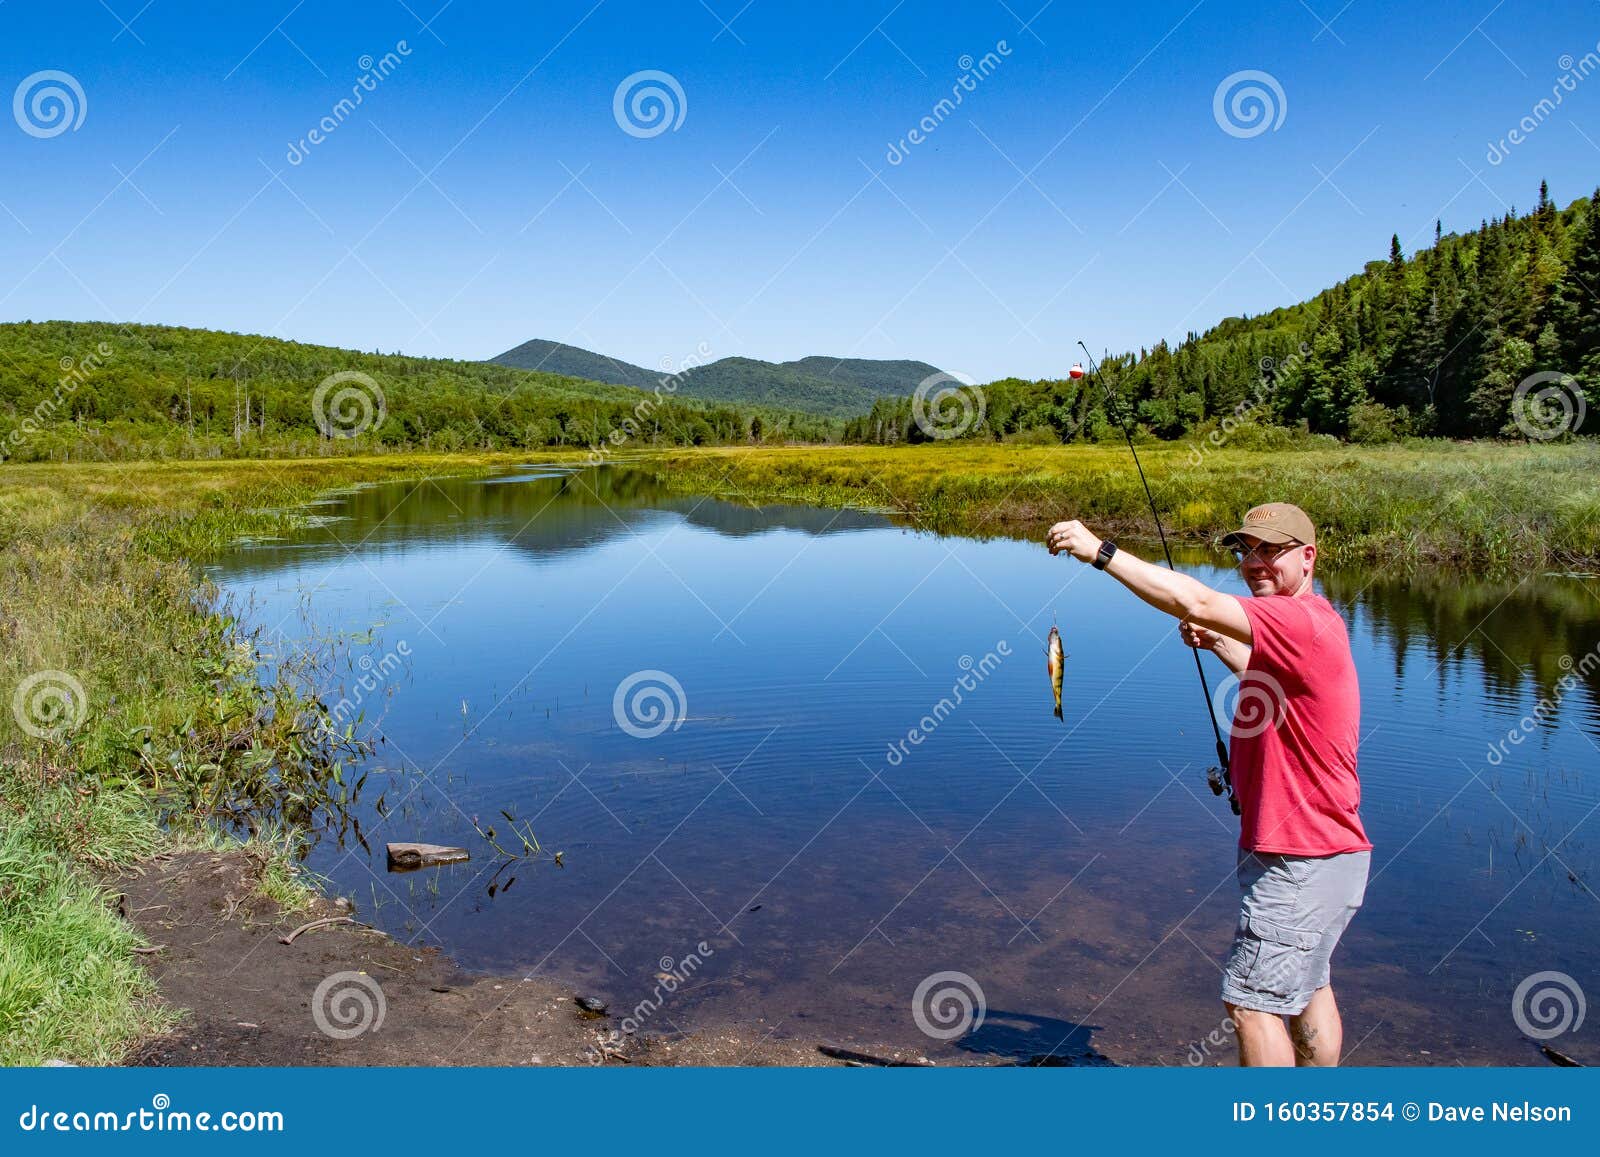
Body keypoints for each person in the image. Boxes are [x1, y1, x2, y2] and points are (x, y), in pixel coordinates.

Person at [1046, 503, 1371, 1066]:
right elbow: (1272, 686)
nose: (1254, 562)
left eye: (1271, 550)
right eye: (1246, 550)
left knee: (1250, 1006)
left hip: (1298, 857)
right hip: (1327, 854)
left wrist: (1100, 551)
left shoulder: (1297, 619)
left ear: (1308, 557)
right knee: (1306, 988)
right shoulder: (1311, 626)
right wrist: (1220, 644)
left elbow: (1195, 599)